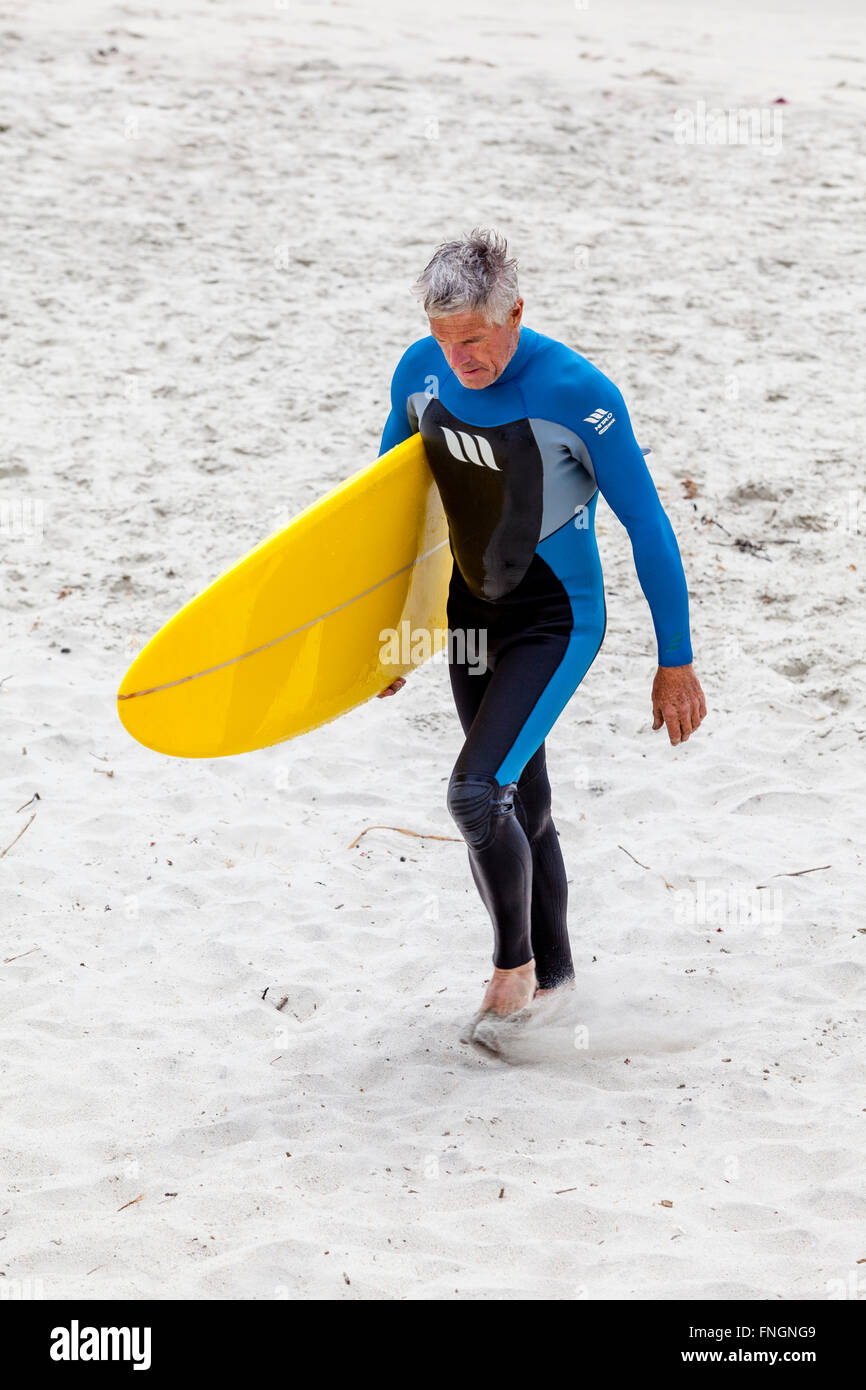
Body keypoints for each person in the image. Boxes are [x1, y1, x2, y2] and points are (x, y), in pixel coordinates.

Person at [376, 229, 706, 1031]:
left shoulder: (576, 391)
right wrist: (387, 638)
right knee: (520, 798)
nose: (461, 360)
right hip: (469, 614)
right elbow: (386, 517)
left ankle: (511, 971)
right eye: (444, 340)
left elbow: (648, 526)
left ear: (515, 312)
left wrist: (676, 661)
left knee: (474, 792)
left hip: (556, 619)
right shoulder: (420, 373)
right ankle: (556, 978)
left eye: (477, 339)